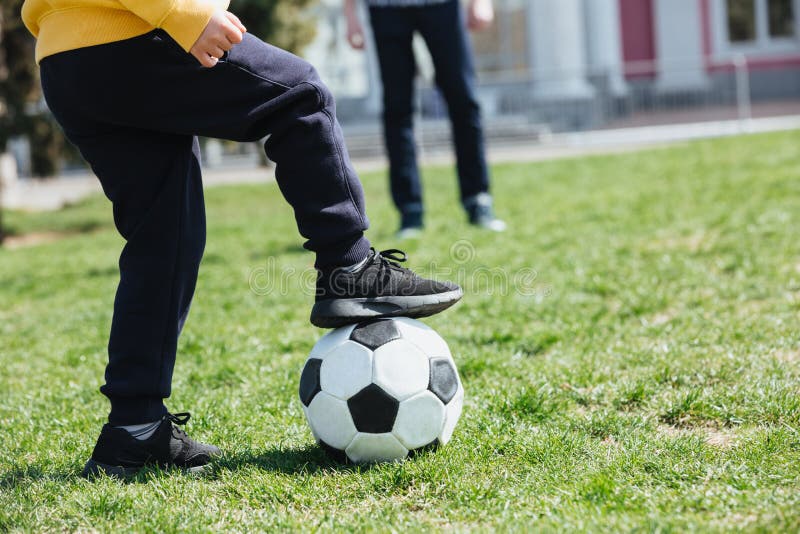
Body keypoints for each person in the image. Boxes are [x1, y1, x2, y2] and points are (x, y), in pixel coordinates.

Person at [21, 0, 463, 477]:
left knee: (165, 239)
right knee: (299, 95)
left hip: (69, 56)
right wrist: (182, 14)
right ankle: (349, 266)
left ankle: (135, 428)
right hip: (135, 33)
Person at [344, 0, 505, 238]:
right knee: (397, 109)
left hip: (442, 5)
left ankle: (478, 200)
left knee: (464, 99)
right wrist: (350, 14)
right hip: (385, 8)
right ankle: (410, 211)